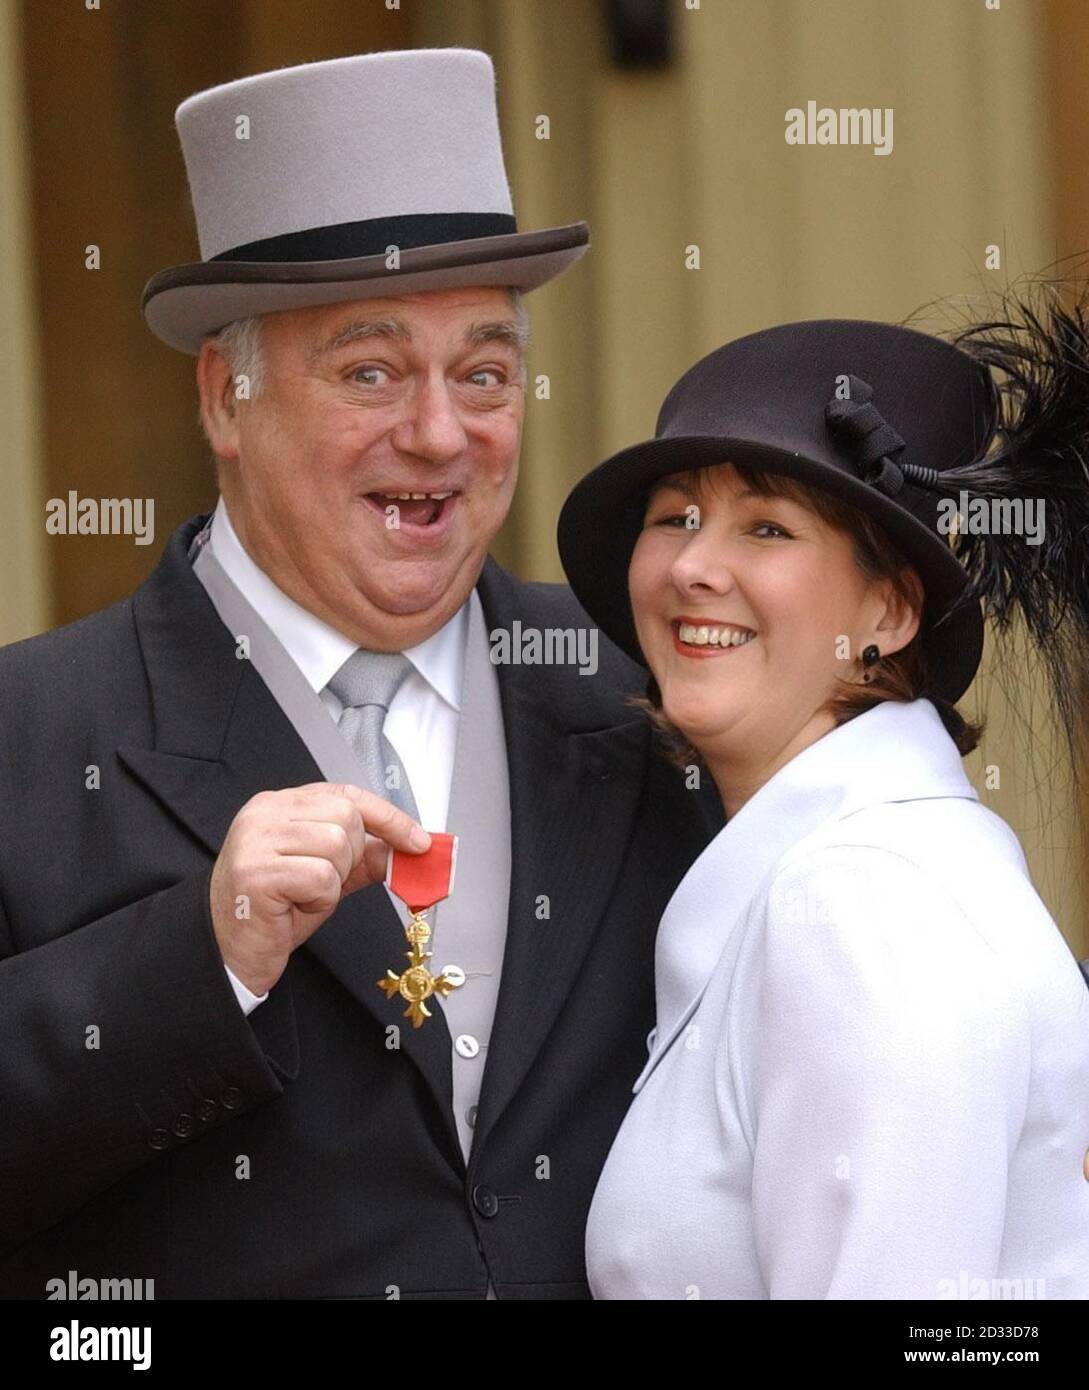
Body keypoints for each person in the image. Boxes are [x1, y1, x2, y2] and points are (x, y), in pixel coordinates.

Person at [0, 50, 721, 1299]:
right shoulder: (31, 727)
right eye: (371, 371)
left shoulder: (637, 691)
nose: (441, 433)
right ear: (226, 396)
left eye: (484, 373)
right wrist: (198, 957)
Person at [557, 307, 1089, 1299]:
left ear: (887, 611)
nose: (691, 566)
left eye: (766, 526)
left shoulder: (864, 903)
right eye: (674, 515)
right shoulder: (848, 875)